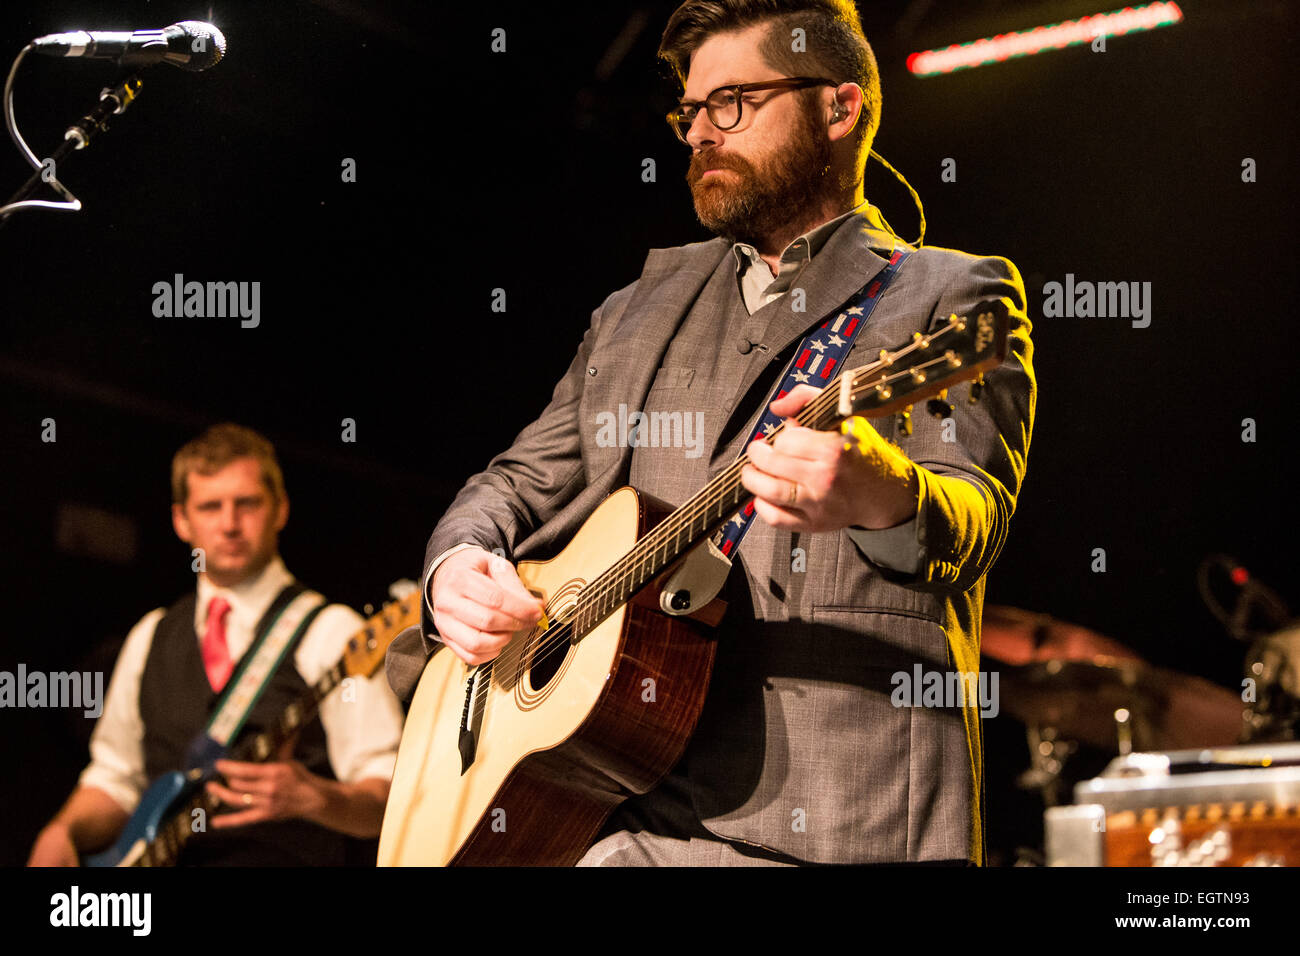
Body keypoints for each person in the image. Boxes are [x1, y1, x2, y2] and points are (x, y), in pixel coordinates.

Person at [389, 0, 1035, 865]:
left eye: (732, 103)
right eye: (691, 111)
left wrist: (885, 492)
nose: (699, 133)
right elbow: (512, 484)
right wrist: (454, 569)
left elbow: (975, 517)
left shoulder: (948, 297)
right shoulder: (632, 311)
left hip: (836, 817)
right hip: (614, 806)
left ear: (839, 109)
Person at [28, 424, 406, 866]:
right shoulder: (151, 634)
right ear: (181, 521)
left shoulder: (334, 630)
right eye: (210, 507)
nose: (229, 524)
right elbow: (116, 779)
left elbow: (387, 799)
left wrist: (318, 797)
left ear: (280, 510)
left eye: (246, 504)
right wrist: (62, 829)